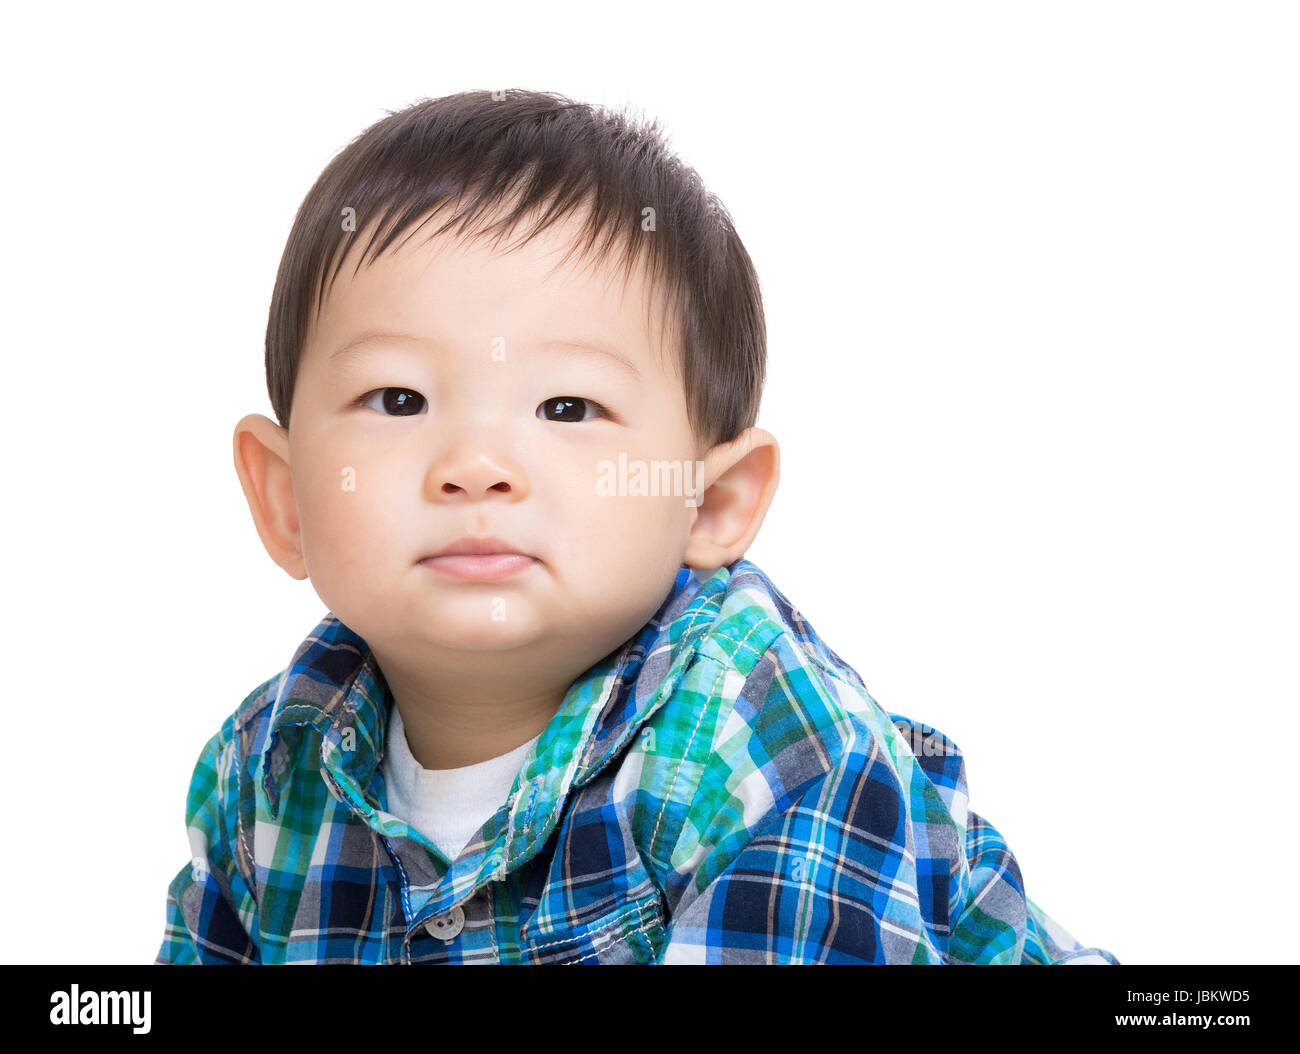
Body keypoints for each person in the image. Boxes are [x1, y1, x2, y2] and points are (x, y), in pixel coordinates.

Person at [155, 89, 1118, 964]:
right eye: (398, 398)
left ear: (712, 504)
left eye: (568, 409)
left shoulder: (760, 736)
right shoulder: (266, 776)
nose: (476, 466)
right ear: (283, 498)